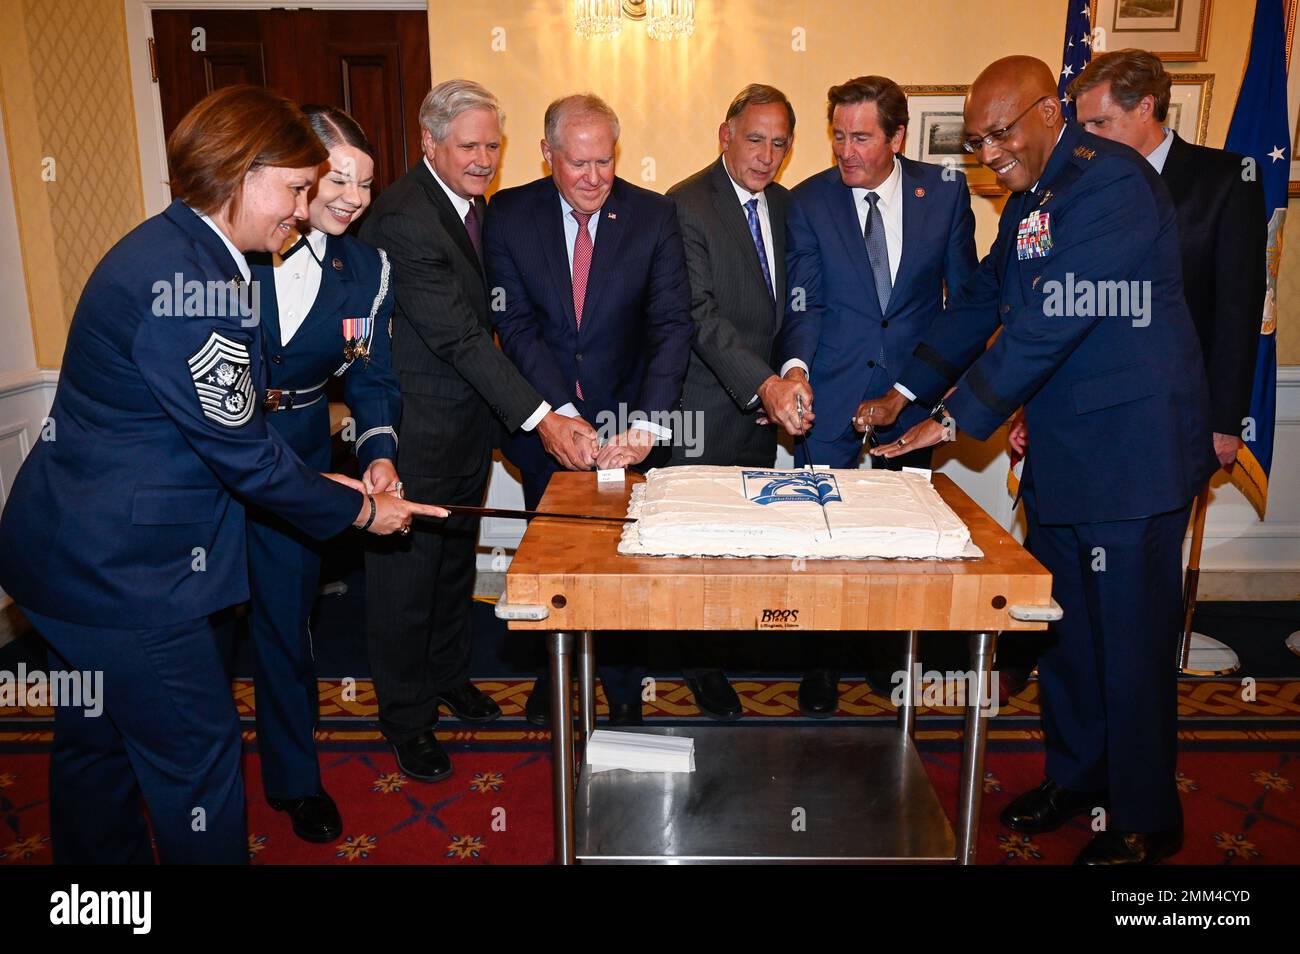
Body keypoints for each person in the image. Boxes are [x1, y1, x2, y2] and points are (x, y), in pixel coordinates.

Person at [0, 85, 442, 864]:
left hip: (65, 554)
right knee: (197, 761)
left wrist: (345, 478)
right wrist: (359, 512)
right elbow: (243, 452)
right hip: (126, 577)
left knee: (96, 751)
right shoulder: (196, 285)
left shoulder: (176, 248)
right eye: (298, 188)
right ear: (242, 171)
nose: (305, 212)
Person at [859, 56, 1217, 865]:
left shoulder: (1111, 184)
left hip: (1132, 460)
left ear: (1050, 111)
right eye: (977, 140)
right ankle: (1081, 780)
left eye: (1000, 132)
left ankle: (1146, 817)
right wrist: (907, 392)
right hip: (1062, 454)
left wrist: (950, 420)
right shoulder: (1030, 199)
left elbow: (1051, 319)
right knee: (1068, 641)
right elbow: (984, 301)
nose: (989, 152)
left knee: (1129, 644)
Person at [359, 81, 590, 782]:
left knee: (452, 566)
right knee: (405, 583)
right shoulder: (402, 217)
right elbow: (461, 338)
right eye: (469, 146)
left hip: (467, 428)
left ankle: (449, 678)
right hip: (417, 431)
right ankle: (406, 720)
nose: (484, 159)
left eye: (493, 145)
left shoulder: (473, 207)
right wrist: (542, 415)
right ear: (428, 143)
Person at [483, 93, 692, 726]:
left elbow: (672, 326)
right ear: (547, 154)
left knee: (624, 560)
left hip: (632, 425)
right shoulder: (509, 214)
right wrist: (557, 413)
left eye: (605, 161)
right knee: (553, 556)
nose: (595, 178)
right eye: (578, 164)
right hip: (546, 422)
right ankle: (555, 678)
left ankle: (626, 687)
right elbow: (512, 323)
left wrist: (649, 424)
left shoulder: (653, 217)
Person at [779, 75, 978, 717]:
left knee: (899, 532)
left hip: (913, 394)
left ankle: (889, 652)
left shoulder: (944, 193)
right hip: (829, 392)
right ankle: (820, 663)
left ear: (896, 137)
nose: (845, 150)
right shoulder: (809, 201)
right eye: (837, 135)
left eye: (860, 137)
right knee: (822, 532)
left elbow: (962, 302)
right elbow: (803, 301)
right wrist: (797, 367)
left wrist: (908, 389)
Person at [242, 105, 401, 842]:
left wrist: (377, 455)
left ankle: (293, 778)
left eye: (366, 184)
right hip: (204, 453)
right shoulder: (231, 247)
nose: (353, 198)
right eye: (339, 178)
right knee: (198, 626)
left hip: (300, 454)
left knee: (284, 623)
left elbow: (369, 379)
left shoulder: (366, 270)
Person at [664, 83, 802, 720]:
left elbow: (789, 306)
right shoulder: (686, 204)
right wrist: (764, 384)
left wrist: (791, 373)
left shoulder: (785, 206)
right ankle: (699, 662)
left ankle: (720, 644)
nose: (766, 155)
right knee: (699, 544)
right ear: (725, 135)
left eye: (779, 143)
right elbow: (698, 314)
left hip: (759, 410)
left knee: (741, 538)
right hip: (704, 408)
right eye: (755, 139)